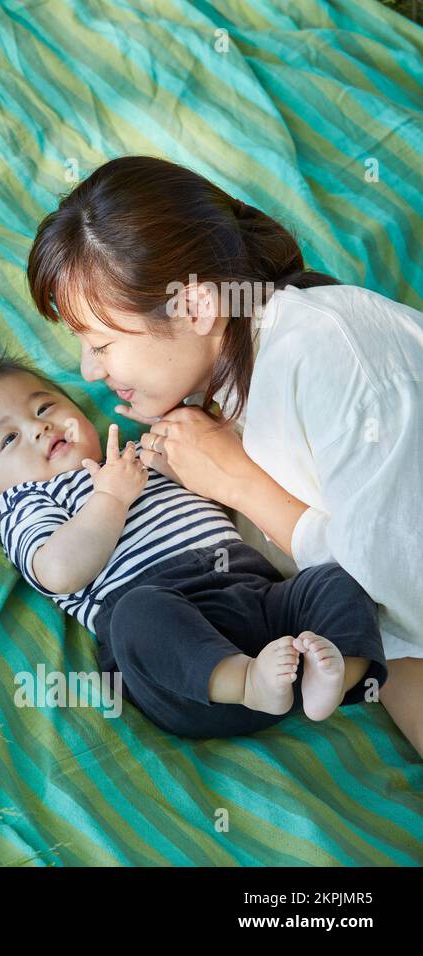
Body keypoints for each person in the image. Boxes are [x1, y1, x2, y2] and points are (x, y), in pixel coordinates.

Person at [25, 154, 423, 757]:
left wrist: (242, 485)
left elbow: (406, 585)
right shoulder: (227, 384)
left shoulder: (330, 356)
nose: (88, 369)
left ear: (197, 308)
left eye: (102, 342)